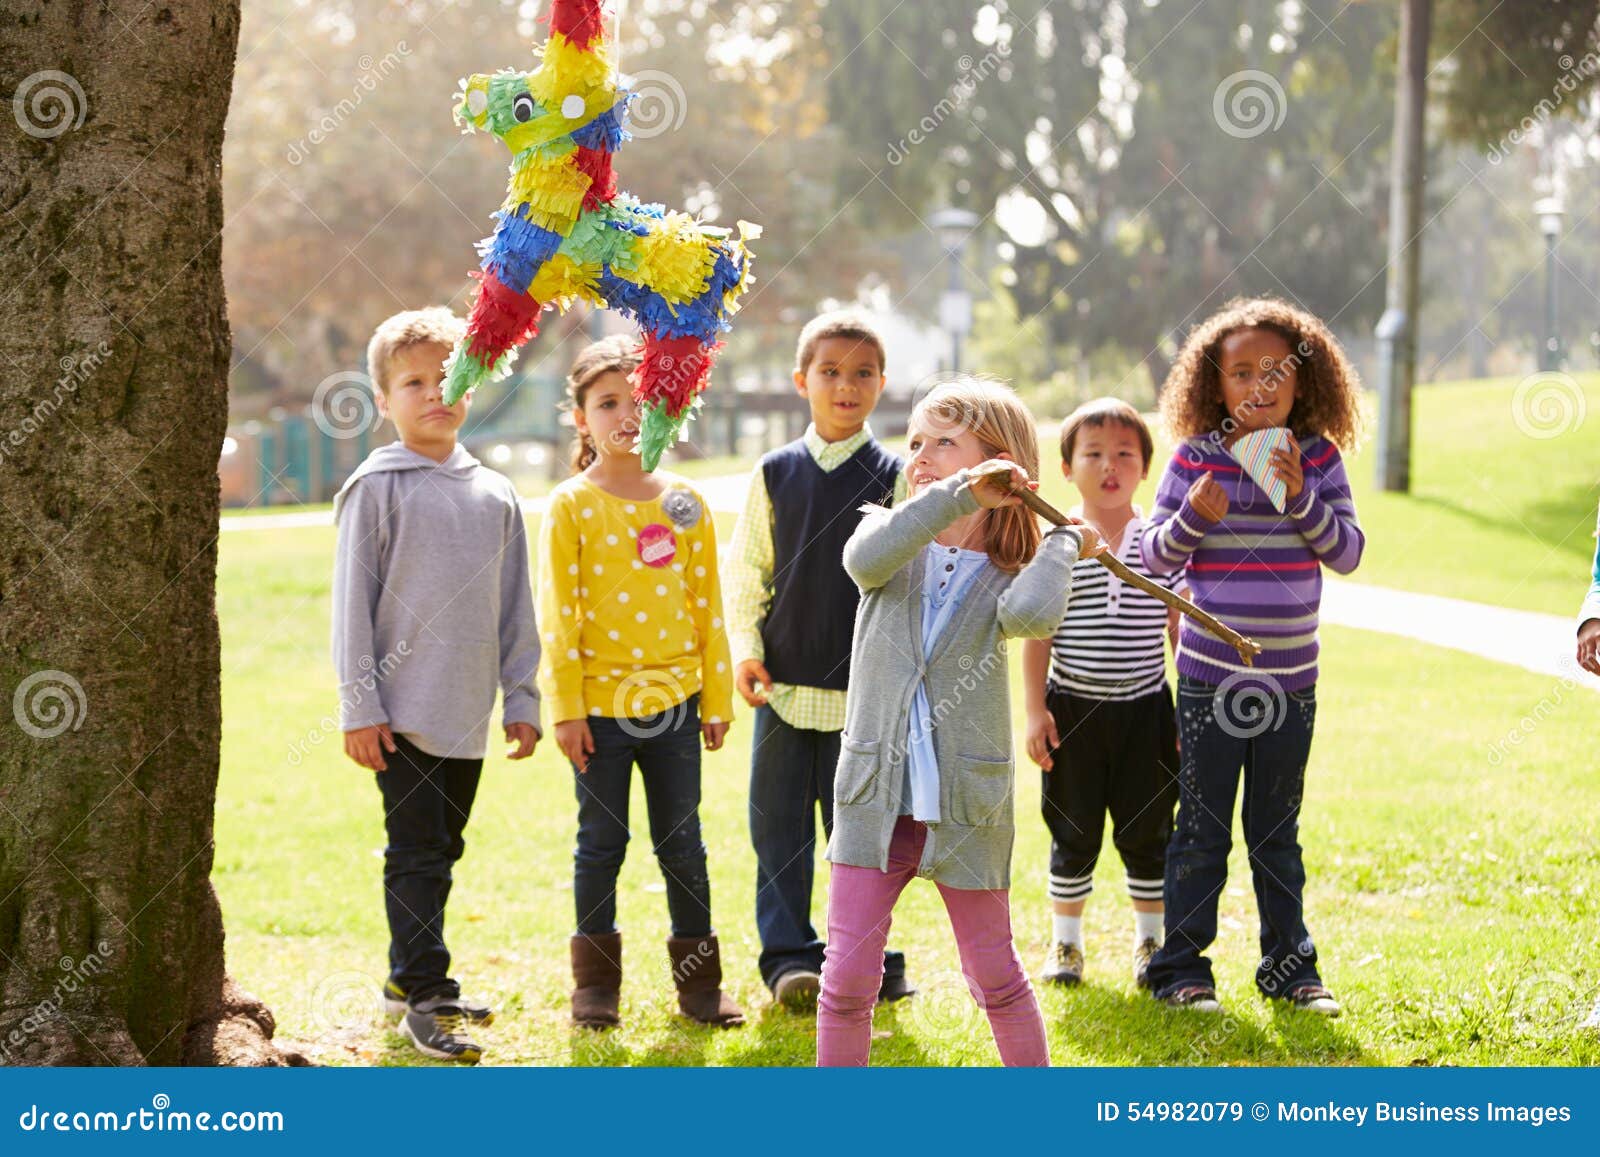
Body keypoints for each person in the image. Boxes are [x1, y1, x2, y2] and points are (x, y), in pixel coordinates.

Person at [816, 377, 1103, 1067]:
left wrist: (1063, 544)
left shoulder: (1010, 571)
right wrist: (954, 491)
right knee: (848, 981)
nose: (921, 454)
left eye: (946, 442)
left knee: (994, 976)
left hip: (966, 808)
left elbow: (1033, 617)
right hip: (873, 803)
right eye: (915, 440)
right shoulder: (883, 536)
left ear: (1001, 465)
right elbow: (862, 562)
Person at [1139, 297, 1365, 1016]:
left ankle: (1290, 968)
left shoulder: (1319, 457)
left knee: (1276, 828)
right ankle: (1181, 967)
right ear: (1217, 386)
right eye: (1241, 373)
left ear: (1305, 382)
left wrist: (1300, 497)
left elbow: (1348, 552)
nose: (1258, 386)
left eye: (1275, 372)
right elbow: (1151, 558)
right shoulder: (1194, 458)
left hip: (1292, 683)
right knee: (1201, 825)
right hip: (1210, 679)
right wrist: (1190, 520)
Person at [333, 307, 541, 1064]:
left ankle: (404, 980)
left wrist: (523, 696)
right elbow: (351, 609)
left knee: (442, 849)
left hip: (468, 711)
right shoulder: (376, 488)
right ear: (384, 399)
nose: (434, 393)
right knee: (416, 853)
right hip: (400, 716)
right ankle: (428, 994)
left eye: (449, 377)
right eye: (413, 382)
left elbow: (518, 606)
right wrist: (360, 705)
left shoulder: (496, 493)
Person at [538, 335, 743, 1030]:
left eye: (642, 399)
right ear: (581, 418)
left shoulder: (685, 501)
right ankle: (595, 987)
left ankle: (700, 985)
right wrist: (565, 710)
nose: (627, 414)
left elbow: (707, 607)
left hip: (677, 707)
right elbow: (558, 620)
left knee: (683, 841)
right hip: (597, 711)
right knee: (601, 842)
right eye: (608, 402)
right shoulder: (569, 506)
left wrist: (714, 699)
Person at [725, 310, 913, 1007]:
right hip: (781, 691)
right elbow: (746, 570)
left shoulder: (895, 476)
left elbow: (906, 584)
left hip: (864, 701)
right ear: (802, 380)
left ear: (881, 385)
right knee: (777, 832)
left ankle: (863, 957)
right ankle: (787, 960)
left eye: (862, 373)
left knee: (860, 838)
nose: (846, 385)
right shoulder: (774, 472)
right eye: (830, 372)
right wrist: (746, 649)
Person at [1023, 398, 1182, 989]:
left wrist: (1185, 717)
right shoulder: (1056, 544)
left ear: (1145, 467)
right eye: (1093, 454)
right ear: (1066, 467)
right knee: (1074, 829)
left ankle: (1151, 944)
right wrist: (1035, 710)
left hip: (1146, 713)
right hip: (1073, 713)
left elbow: (1176, 632)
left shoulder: (1161, 546)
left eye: (1124, 454)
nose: (1109, 466)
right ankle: (1065, 948)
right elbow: (1039, 631)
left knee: (1148, 832)